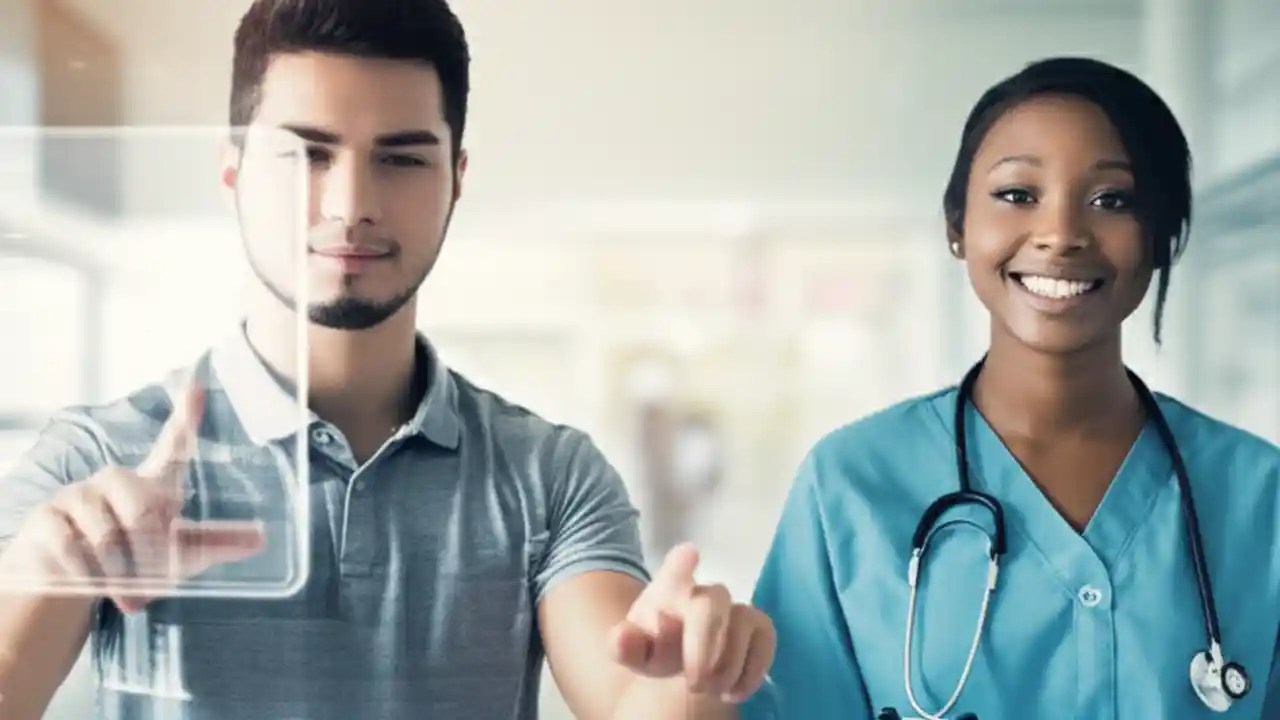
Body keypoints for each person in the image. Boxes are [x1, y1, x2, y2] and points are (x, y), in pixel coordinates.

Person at [0, 1, 774, 718]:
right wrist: (46, 574)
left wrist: (687, 678)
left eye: (401, 160)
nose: (351, 205)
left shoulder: (551, 477)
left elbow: (629, 689)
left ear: (456, 182)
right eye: (306, 155)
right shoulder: (93, 464)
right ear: (233, 173)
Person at [737, 57, 1280, 719]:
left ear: (1163, 237)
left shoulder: (1262, 496)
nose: (1060, 235)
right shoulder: (850, 484)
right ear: (956, 226)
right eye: (1019, 194)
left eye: (1113, 200)